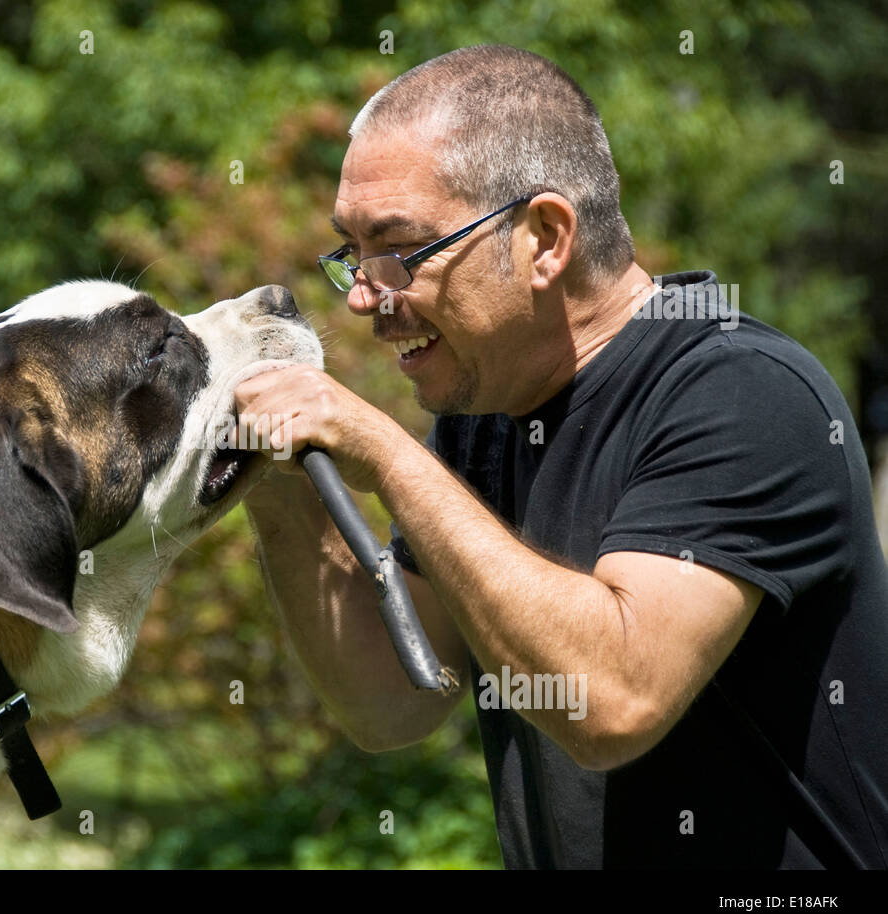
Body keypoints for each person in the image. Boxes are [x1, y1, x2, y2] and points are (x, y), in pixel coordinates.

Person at [235, 44, 888, 868]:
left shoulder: (741, 395)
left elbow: (612, 701)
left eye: (398, 250)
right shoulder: (485, 415)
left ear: (545, 238)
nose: (365, 295)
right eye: (351, 253)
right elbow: (390, 702)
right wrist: (267, 477)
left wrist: (387, 457)